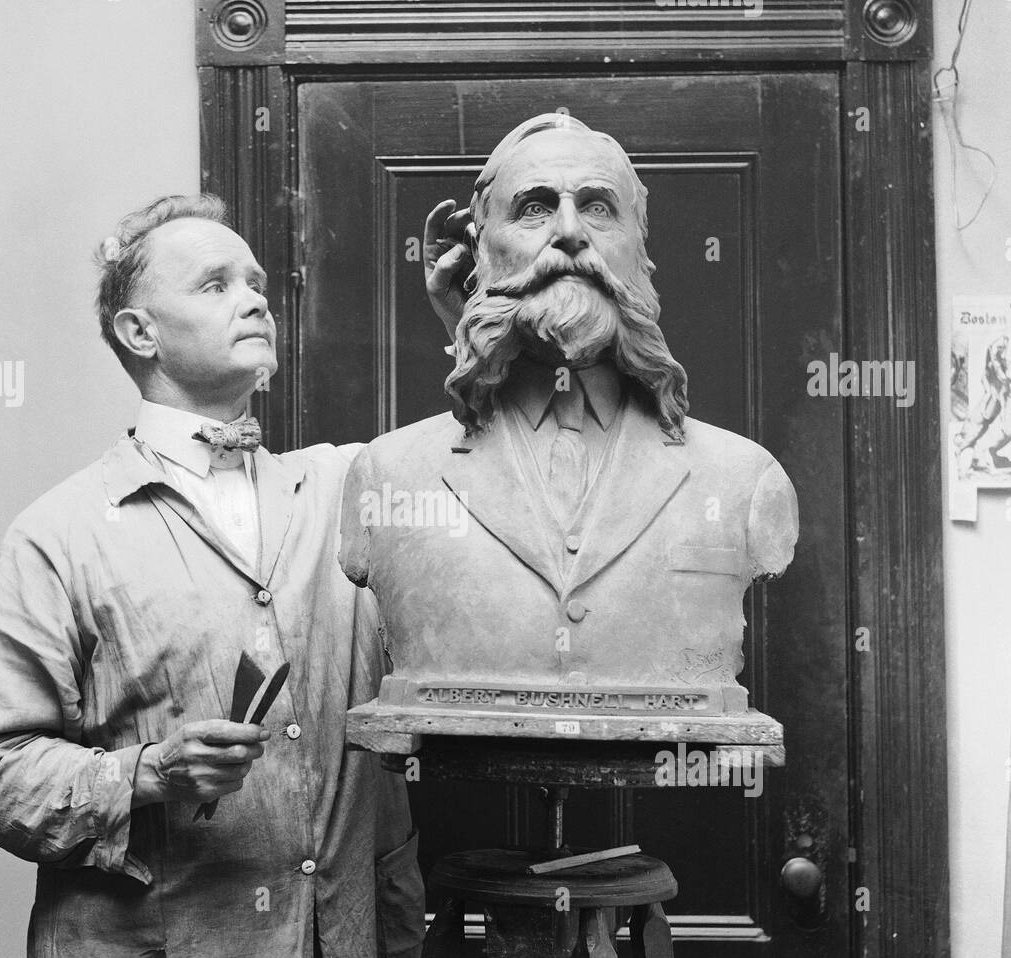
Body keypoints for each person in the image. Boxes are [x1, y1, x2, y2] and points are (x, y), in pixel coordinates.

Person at [0, 194, 424, 958]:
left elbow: (488, 471)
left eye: (257, 283)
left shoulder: (350, 488)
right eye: (214, 284)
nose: (254, 299)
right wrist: (148, 774)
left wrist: (470, 317)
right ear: (140, 332)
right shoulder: (59, 533)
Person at [340, 113, 797, 705]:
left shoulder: (742, 478)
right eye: (533, 208)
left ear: (640, 248)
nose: (569, 232)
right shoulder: (390, 475)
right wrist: (468, 338)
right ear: (477, 252)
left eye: (599, 207)